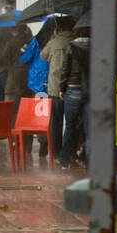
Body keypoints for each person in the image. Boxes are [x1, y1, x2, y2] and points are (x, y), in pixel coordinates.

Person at [41, 18, 76, 159]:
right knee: (72, 123)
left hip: (55, 88)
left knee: (55, 122)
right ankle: (69, 154)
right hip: (72, 87)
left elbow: (43, 56)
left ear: (59, 29)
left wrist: (53, 38)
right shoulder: (76, 40)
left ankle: (55, 154)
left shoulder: (54, 42)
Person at [57, 33, 91, 169]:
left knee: (70, 126)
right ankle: (89, 161)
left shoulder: (71, 46)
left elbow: (65, 69)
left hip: (73, 89)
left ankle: (64, 160)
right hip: (91, 92)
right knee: (89, 128)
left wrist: (62, 88)